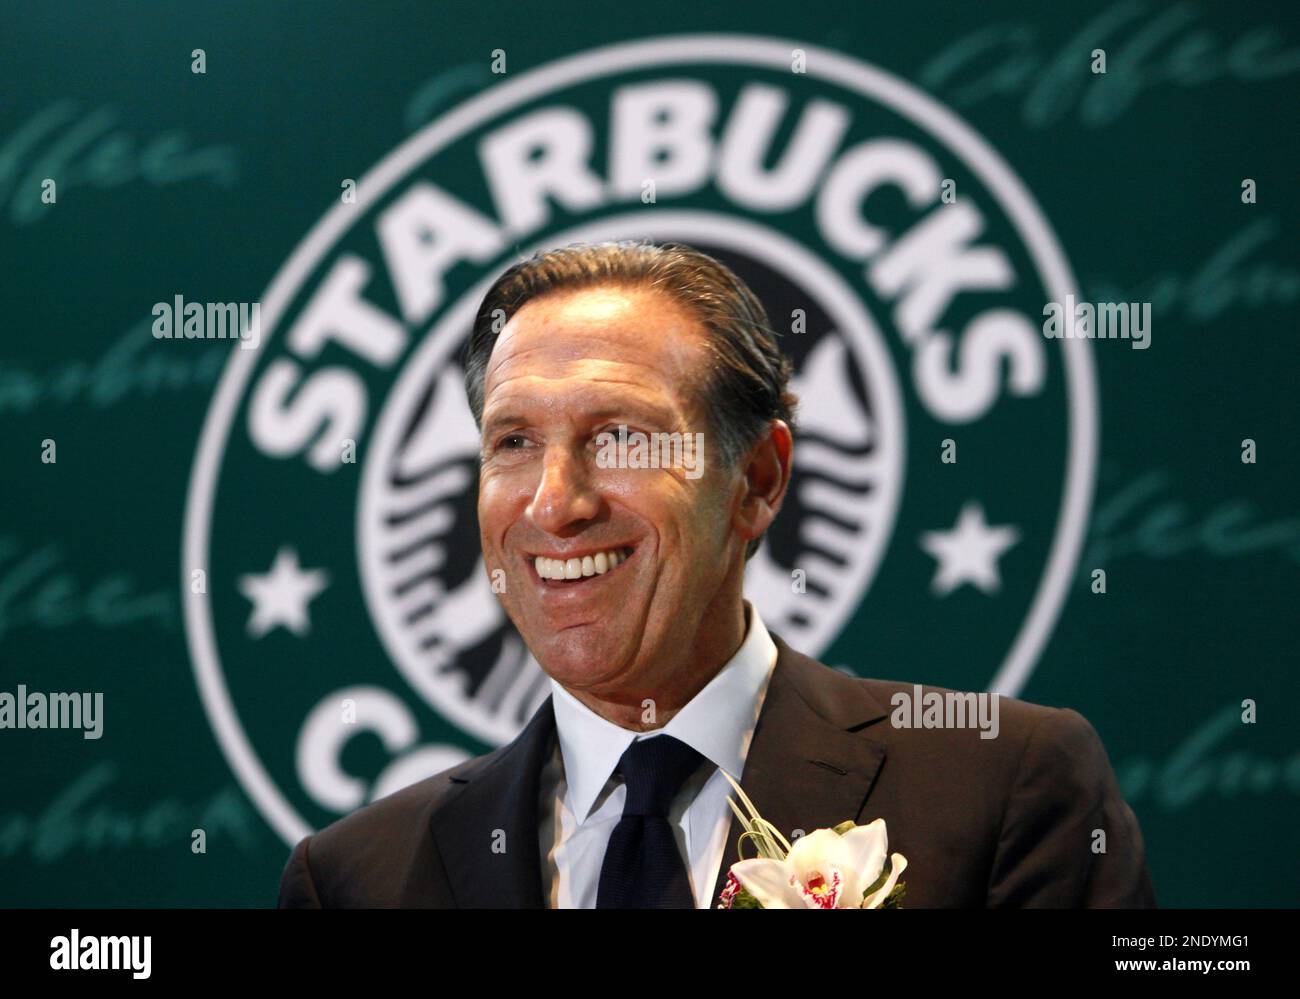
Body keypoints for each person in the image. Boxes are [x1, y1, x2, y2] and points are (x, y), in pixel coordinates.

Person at [277, 240, 1156, 909]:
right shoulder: (357, 877)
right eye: (514, 442)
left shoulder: (1008, 787)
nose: (554, 504)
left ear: (758, 481)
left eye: (618, 437)